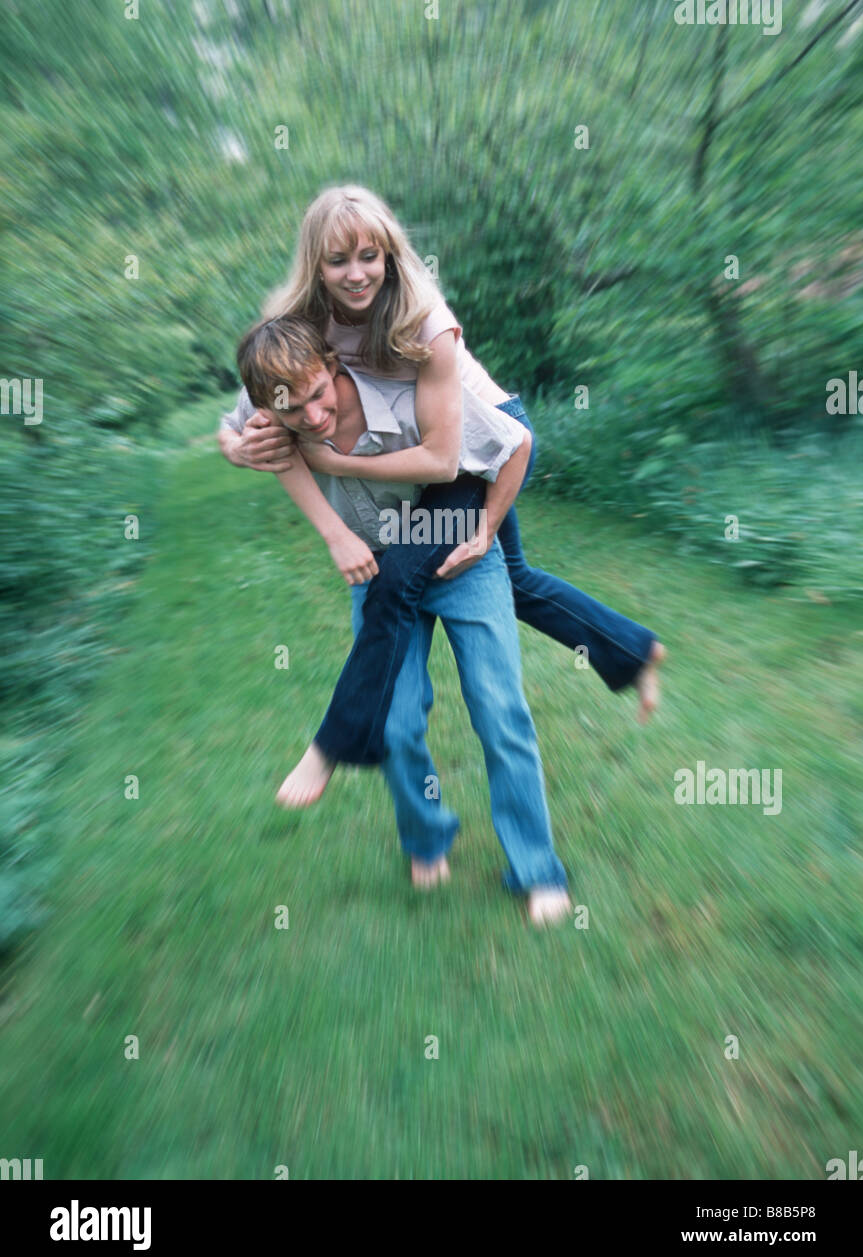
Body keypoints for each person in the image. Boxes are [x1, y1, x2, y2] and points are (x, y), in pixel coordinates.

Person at [219, 184, 665, 806]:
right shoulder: (301, 328)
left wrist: (473, 520)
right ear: (314, 266)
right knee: (515, 582)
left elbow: (447, 454)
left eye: (368, 256)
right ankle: (634, 650)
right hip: (439, 448)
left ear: (389, 253)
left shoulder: (419, 314)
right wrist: (236, 445)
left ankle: (335, 743)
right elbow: (250, 407)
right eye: (337, 261)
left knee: (397, 574)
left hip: (483, 440)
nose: (355, 275)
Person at [235, 314, 572, 927]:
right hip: (379, 570)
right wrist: (239, 446)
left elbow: (515, 442)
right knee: (394, 723)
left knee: (500, 712)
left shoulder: (404, 391)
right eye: (291, 410)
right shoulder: (275, 406)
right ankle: (426, 836)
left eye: (319, 396)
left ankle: (538, 868)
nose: (312, 417)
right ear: (266, 407)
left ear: (334, 368)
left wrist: (488, 529)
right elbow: (234, 434)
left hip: (461, 559)